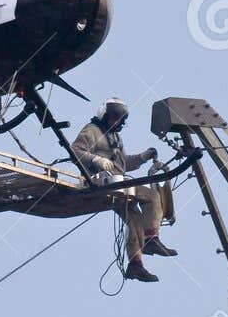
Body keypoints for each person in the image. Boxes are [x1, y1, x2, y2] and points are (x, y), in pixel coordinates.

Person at [71, 97, 178, 283]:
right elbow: (75, 151)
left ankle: (135, 265)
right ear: (104, 115)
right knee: (152, 196)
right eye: (114, 117)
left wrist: (143, 157)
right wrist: (95, 160)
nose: (117, 122)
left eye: (120, 119)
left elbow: (123, 165)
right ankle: (151, 239)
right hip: (98, 182)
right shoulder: (92, 131)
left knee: (134, 220)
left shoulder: (115, 137)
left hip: (118, 184)